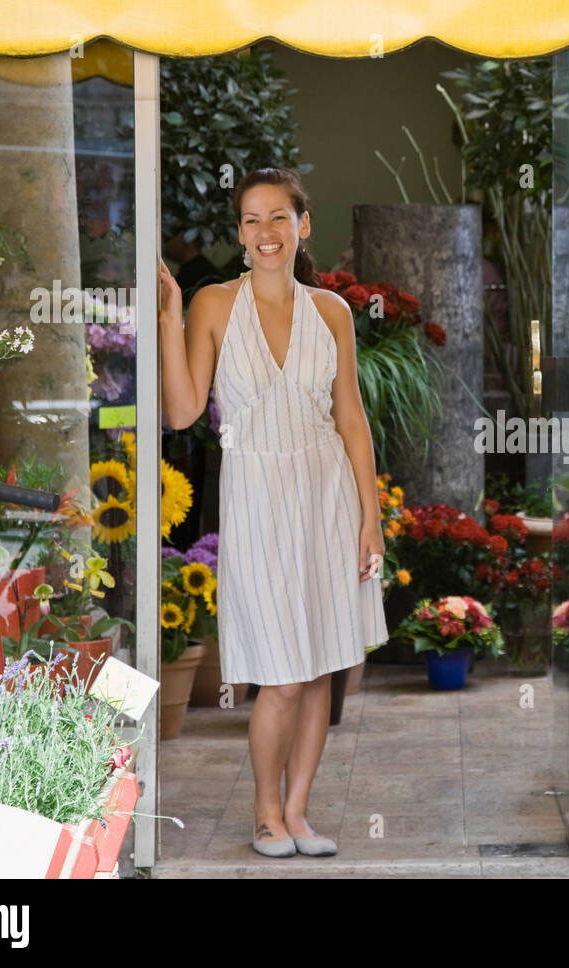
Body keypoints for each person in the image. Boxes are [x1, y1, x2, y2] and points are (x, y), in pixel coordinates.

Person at [158, 167, 389, 858]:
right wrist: (171, 316)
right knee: (282, 677)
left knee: (321, 666)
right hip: (257, 497)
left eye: (279, 218)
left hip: (328, 496)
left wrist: (370, 520)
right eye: (253, 220)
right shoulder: (212, 305)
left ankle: (299, 812)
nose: (266, 233)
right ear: (240, 233)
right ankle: (264, 813)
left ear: (303, 226)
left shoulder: (333, 313)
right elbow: (182, 409)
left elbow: (351, 419)